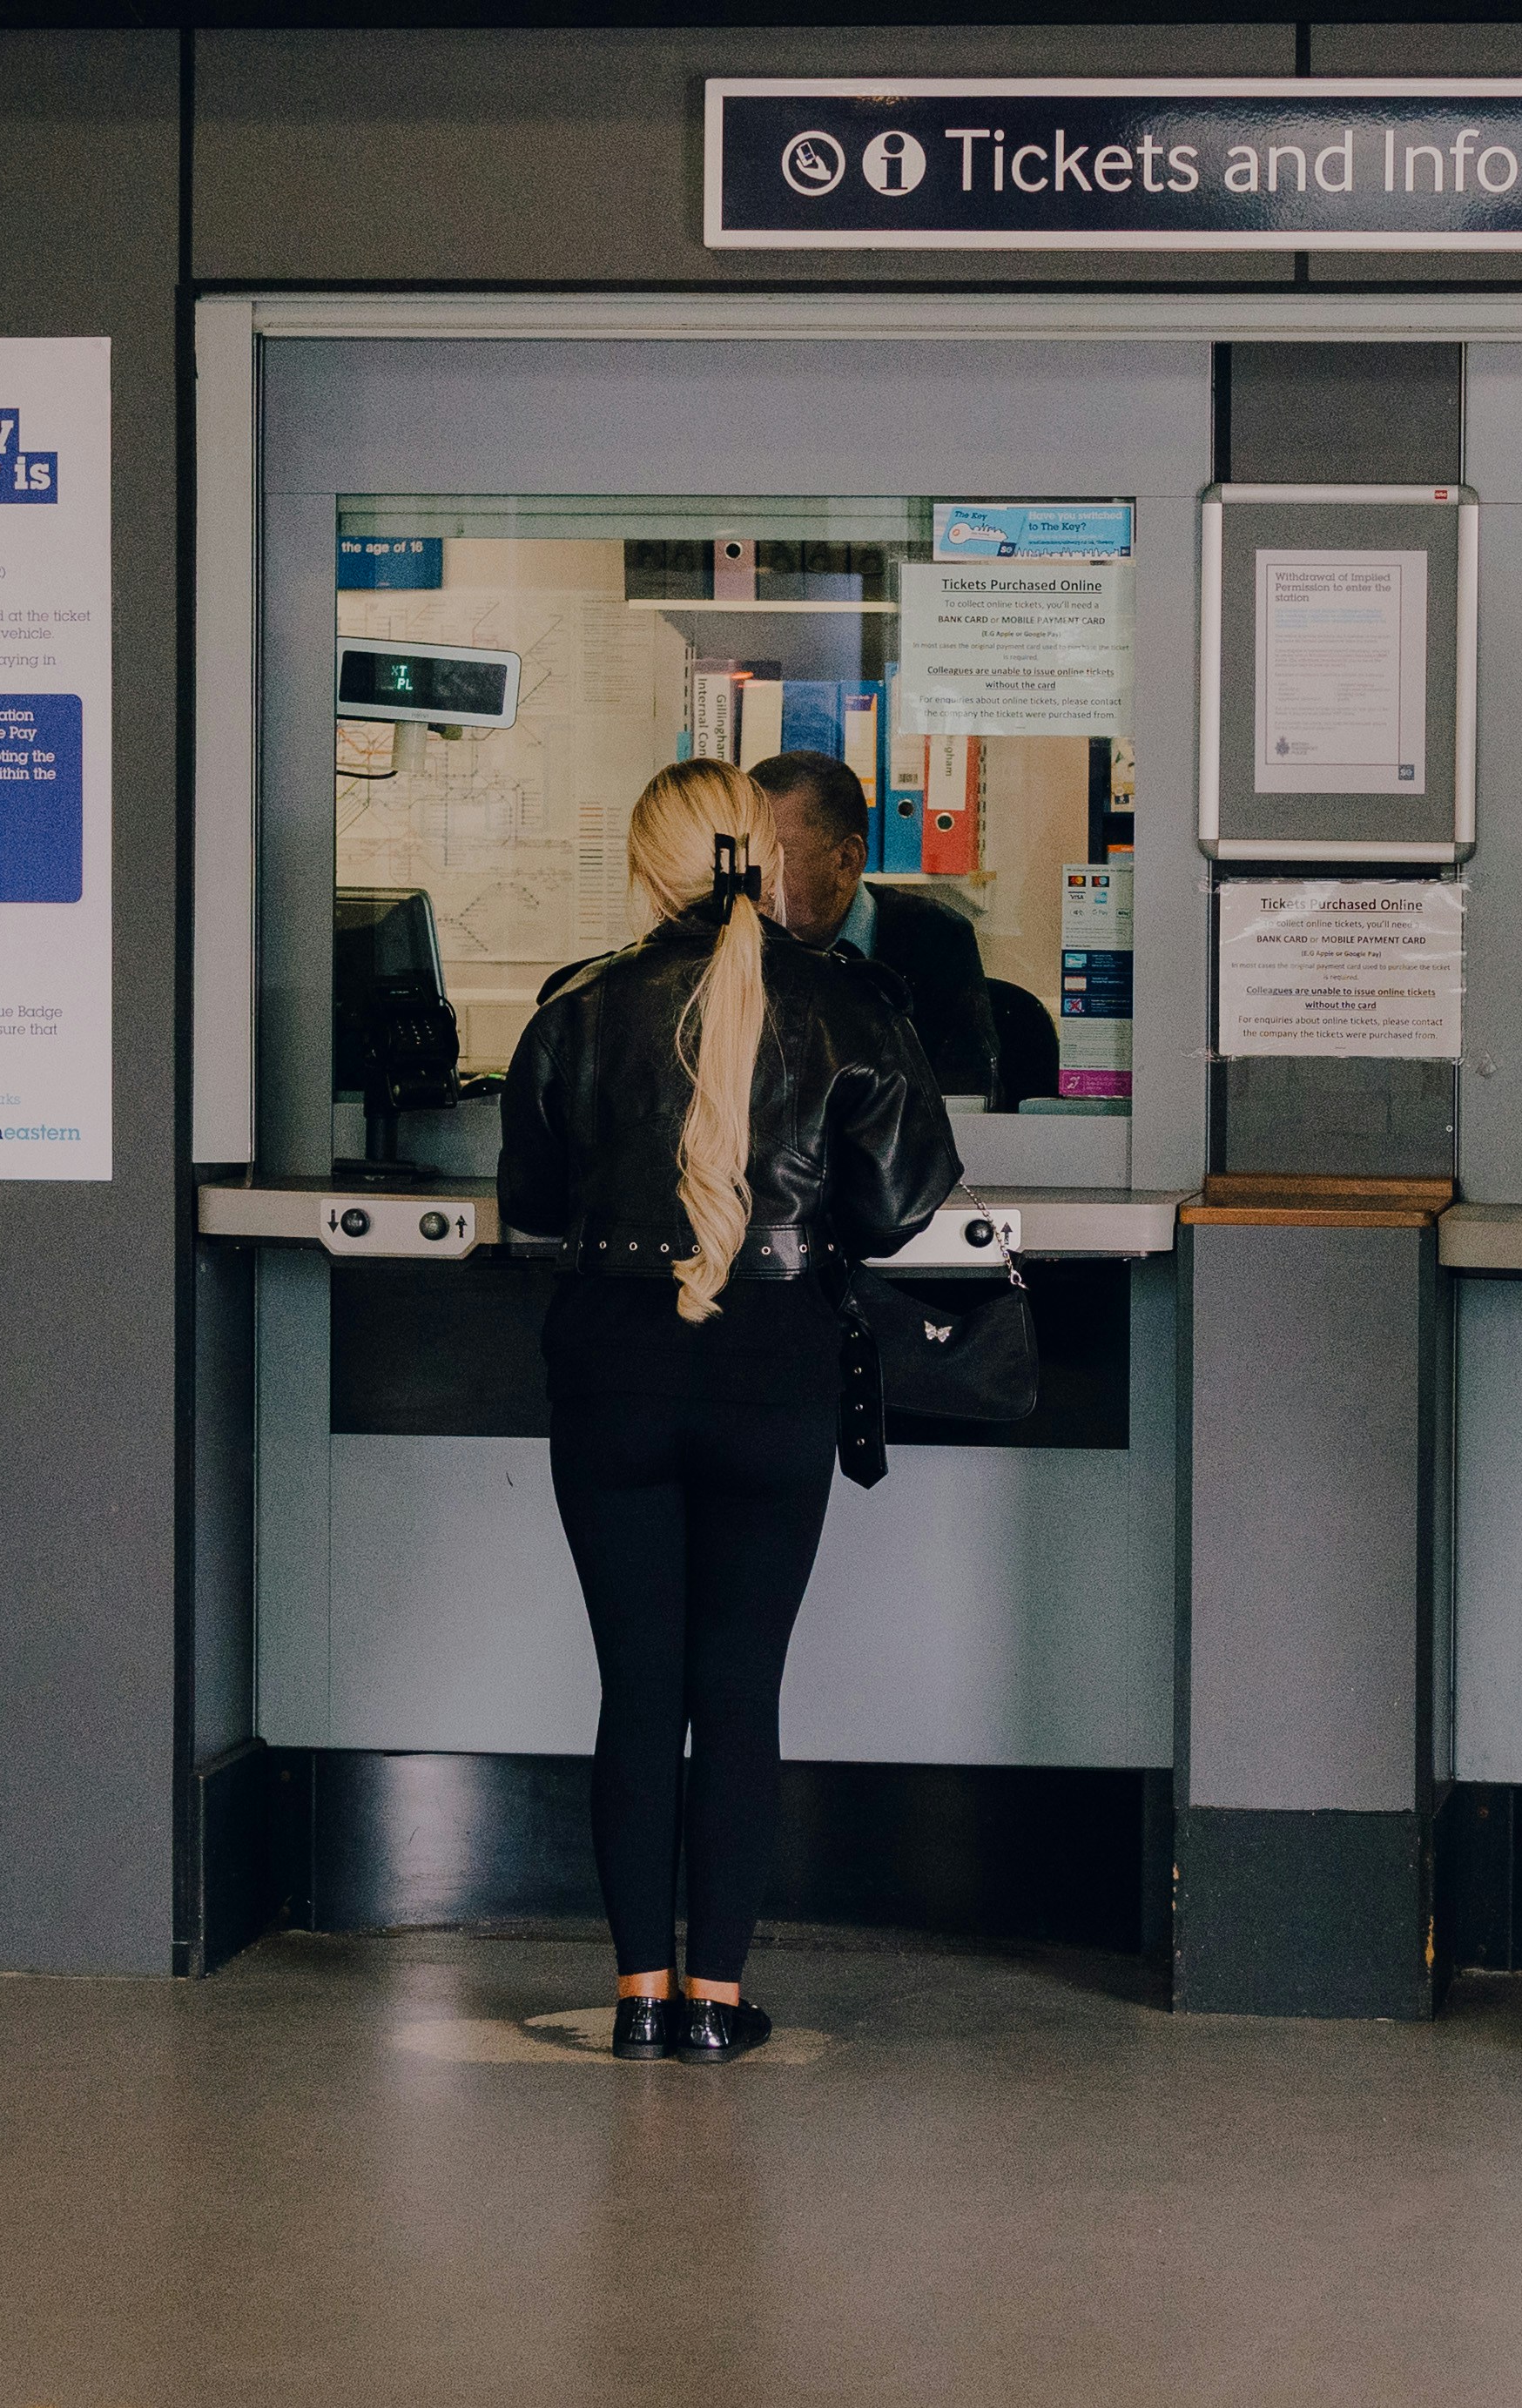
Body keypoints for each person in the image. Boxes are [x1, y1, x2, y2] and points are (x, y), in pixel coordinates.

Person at [498, 759, 960, 2062]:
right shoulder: (852, 1003)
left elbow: (531, 1206)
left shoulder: (574, 1009)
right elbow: (897, 1203)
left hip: (612, 1372)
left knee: (636, 1684)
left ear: (647, 868)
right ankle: (716, 2008)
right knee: (739, 1687)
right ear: (764, 854)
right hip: (774, 1373)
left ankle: (639, 1991)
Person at [750, 750, 1006, 1107]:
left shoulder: (938, 939)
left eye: (776, 856)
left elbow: (963, 1102)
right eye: (747, 853)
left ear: (847, 861)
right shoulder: (734, 939)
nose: (755, 878)